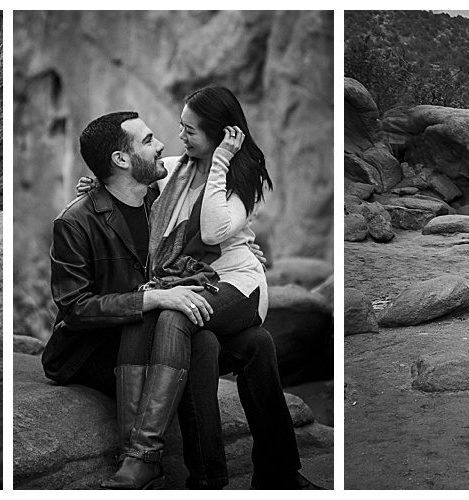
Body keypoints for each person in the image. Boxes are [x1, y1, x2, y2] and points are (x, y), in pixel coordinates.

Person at [46, 110, 315, 489]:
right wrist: (153, 299)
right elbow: (74, 309)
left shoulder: (160, 199)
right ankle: (191, 476)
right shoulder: (76, 222)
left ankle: (279, 474)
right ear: (121, 160)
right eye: (149, 140)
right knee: (202, 342)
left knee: (257, 342)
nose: (161, 146)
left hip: (157, 329)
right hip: (97, 346)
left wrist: (241, 246)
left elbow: (209, 230)